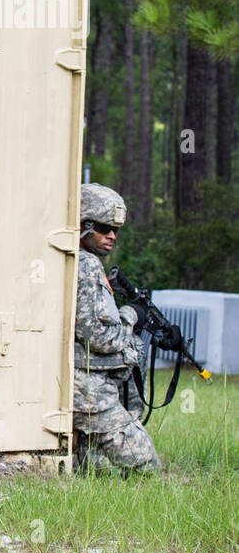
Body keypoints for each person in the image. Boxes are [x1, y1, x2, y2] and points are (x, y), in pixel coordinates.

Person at [73, 183, 163, 475]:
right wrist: (130, 316)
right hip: (87, 387)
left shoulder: (85, 262)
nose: (111, 235)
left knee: (96, 469)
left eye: (116, 230)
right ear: (84, 226)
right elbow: (95, 336)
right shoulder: (85, 264)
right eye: (103, 227)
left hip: (94, 384)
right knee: (145, 463)